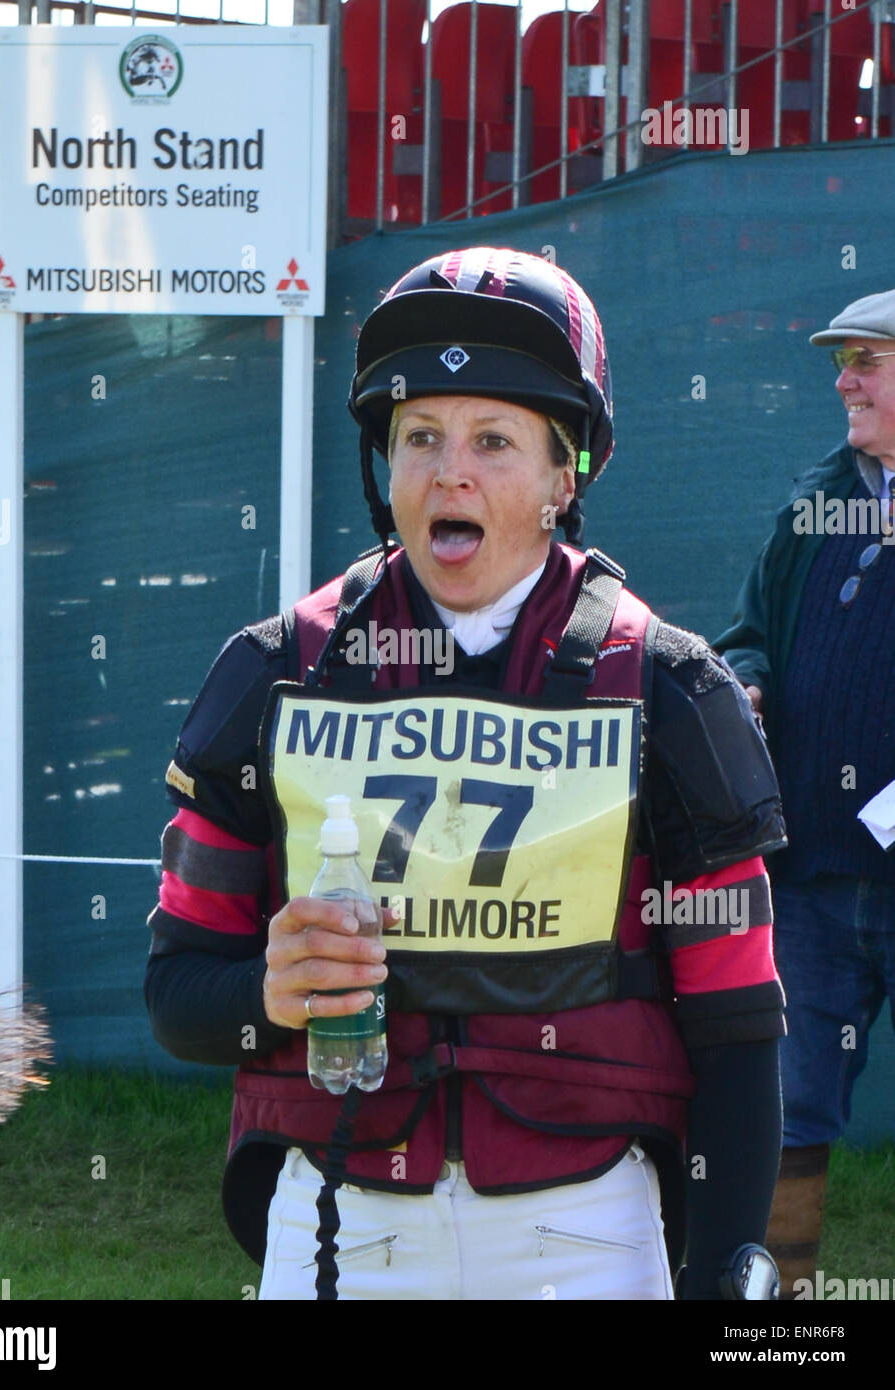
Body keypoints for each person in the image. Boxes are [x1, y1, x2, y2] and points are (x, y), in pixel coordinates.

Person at [145, 246, 787, 1301]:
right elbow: (179, 997)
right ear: (382, 464)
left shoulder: (670, 691)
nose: (452, 473)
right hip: (340, 1224)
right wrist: (268, 995)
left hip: (584, 1234)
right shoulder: (272, 673)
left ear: (563, 473)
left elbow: (738, 1024)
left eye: (495, 440)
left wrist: (726, 1270)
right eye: (421, 437)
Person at [715, 288, 895, 1297]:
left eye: (867, 360)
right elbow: (751, 632)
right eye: (842, 361)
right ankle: (780, 1322)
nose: (843, 381)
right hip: (815, 881)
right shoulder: (812, 502)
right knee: (786, 1113)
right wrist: (747, 680)